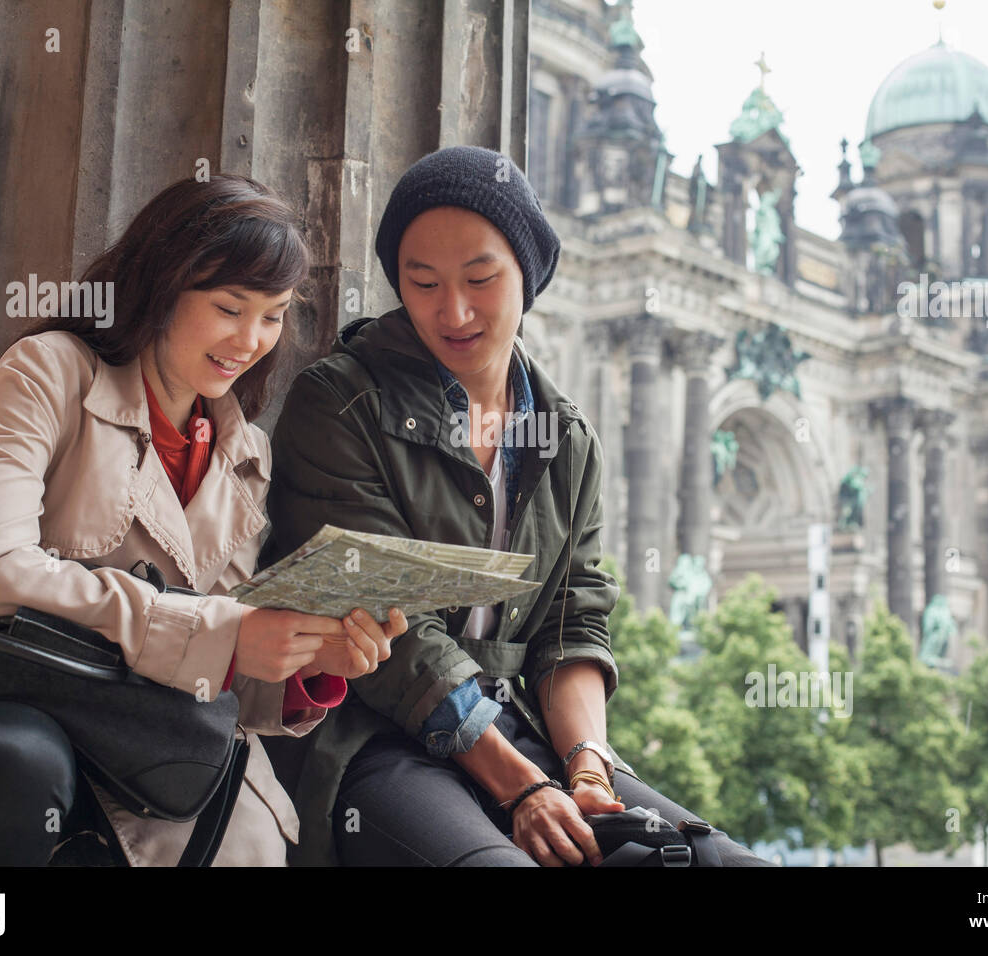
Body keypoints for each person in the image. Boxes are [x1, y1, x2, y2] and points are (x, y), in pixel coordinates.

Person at [0, 174, 408, 866]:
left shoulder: (247, 452)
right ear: (161, 284)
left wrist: (302, 662)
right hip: (17, 691)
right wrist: (225, 634)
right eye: (229, 307)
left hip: (155, 743)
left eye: (272, 315)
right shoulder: (49, 373)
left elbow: (217, 655)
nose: (250, 339)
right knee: (13, 761)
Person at [260, 146, 772, 866]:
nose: (454, 310)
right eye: (423, 281)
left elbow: (575, 624)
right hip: (369, 736)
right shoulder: (340, 403)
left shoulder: (567, 439)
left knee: (726, 863)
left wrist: (589, 767)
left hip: (521, 727)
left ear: (528, 274)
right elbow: (386, 628)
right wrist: (524, 789)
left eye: (480, 278)